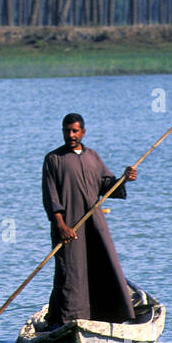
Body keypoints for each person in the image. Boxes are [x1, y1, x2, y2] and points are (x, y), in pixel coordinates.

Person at [42, 113, 138, 326]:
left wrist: (124, 178)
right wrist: (61, 226)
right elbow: (51, 197)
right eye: (67, 131)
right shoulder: (53, 159)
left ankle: (107, 315)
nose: (71, 135)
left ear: (83, 132)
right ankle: (69, 321)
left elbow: (107, 186)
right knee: (70, 273)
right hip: (69, 228)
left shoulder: (92, 156)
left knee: (102, 265)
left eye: (75, 131)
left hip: (94, 225)